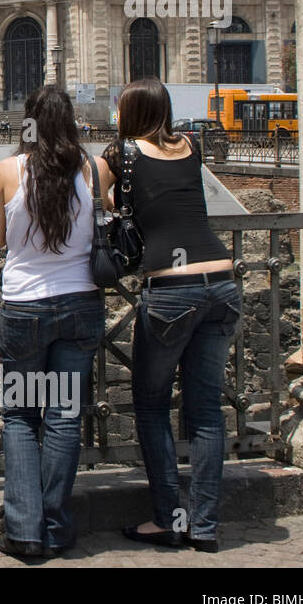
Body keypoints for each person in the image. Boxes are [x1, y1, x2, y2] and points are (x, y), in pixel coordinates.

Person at [0, 85, 114, 559]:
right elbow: (108, 220)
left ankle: (24, 530)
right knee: (62, 418)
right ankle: (56, 527)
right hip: (80, 304)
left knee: (20, 416)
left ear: (28, 122)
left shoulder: (8, 171)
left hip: (25, 308)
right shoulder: (95, 171)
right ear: (72, 123)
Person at [107, 78, 239, 554]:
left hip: (171, 289)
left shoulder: (120, 153)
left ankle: (168, 519)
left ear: (132, 111)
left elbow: (99, 201)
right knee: (205, 410)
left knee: (152, 404)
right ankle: (204, 527)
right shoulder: (191, 145)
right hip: (223, 282)